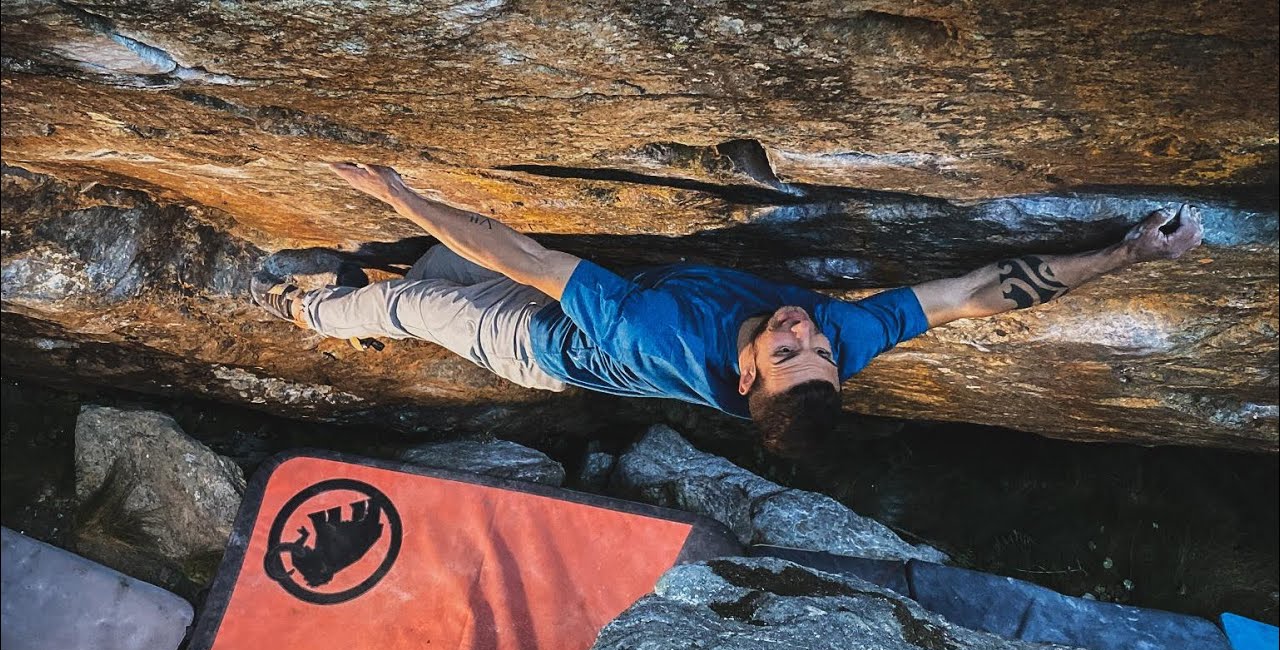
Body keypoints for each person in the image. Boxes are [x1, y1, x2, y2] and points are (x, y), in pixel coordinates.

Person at [252, 163, 1205, 457]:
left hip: (545, 344)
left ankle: (307, 311)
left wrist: (397, 190)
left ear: (745, 375)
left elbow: (527, 257)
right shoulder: (841, 345)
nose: (805, 327)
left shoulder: (660, 336)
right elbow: (976, 296)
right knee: (428, 263)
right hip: (583, 312)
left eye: (791, 348)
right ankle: (369, 273)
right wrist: (1124, 253)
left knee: (424, 303)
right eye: (819, 343)